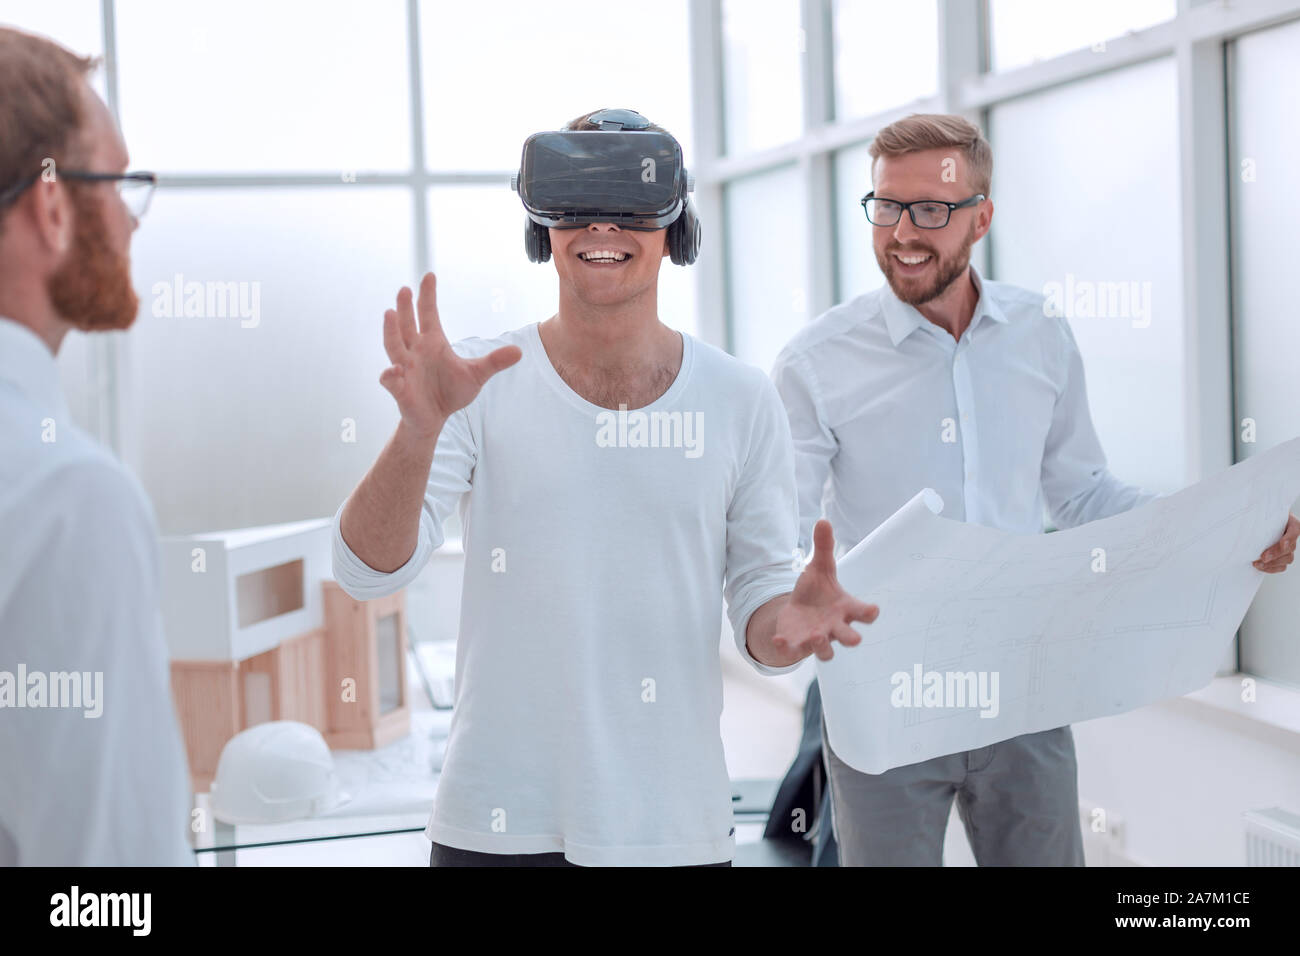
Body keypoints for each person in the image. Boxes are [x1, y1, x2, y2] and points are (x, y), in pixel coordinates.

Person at [334, 108, 878, 867]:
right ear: (541, 228)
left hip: (672, 831)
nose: (603, 229)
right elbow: (365, 572)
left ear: (677, 231)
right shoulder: (475, 383)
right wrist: (417, 432)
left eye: (632, 207)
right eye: (578, 207)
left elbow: (759, 610)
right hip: (493, 824)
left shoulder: (740, 398)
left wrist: (791, 623)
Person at [772, 112, 1299, 866]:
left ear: (980, 217)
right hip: (884, 690)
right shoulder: (817, 362)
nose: (902, 232)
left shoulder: (1039, 333)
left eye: (931, 209)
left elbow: (1081, 493)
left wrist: (1225, 530)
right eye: (886, 206)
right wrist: (794, 585)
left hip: (1023, 686)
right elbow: (781, 529)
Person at [0, 27, 193, 865]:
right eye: (114, 181)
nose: (128, 218)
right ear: (49, 205)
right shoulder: (68, 496)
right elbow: (110, 885)